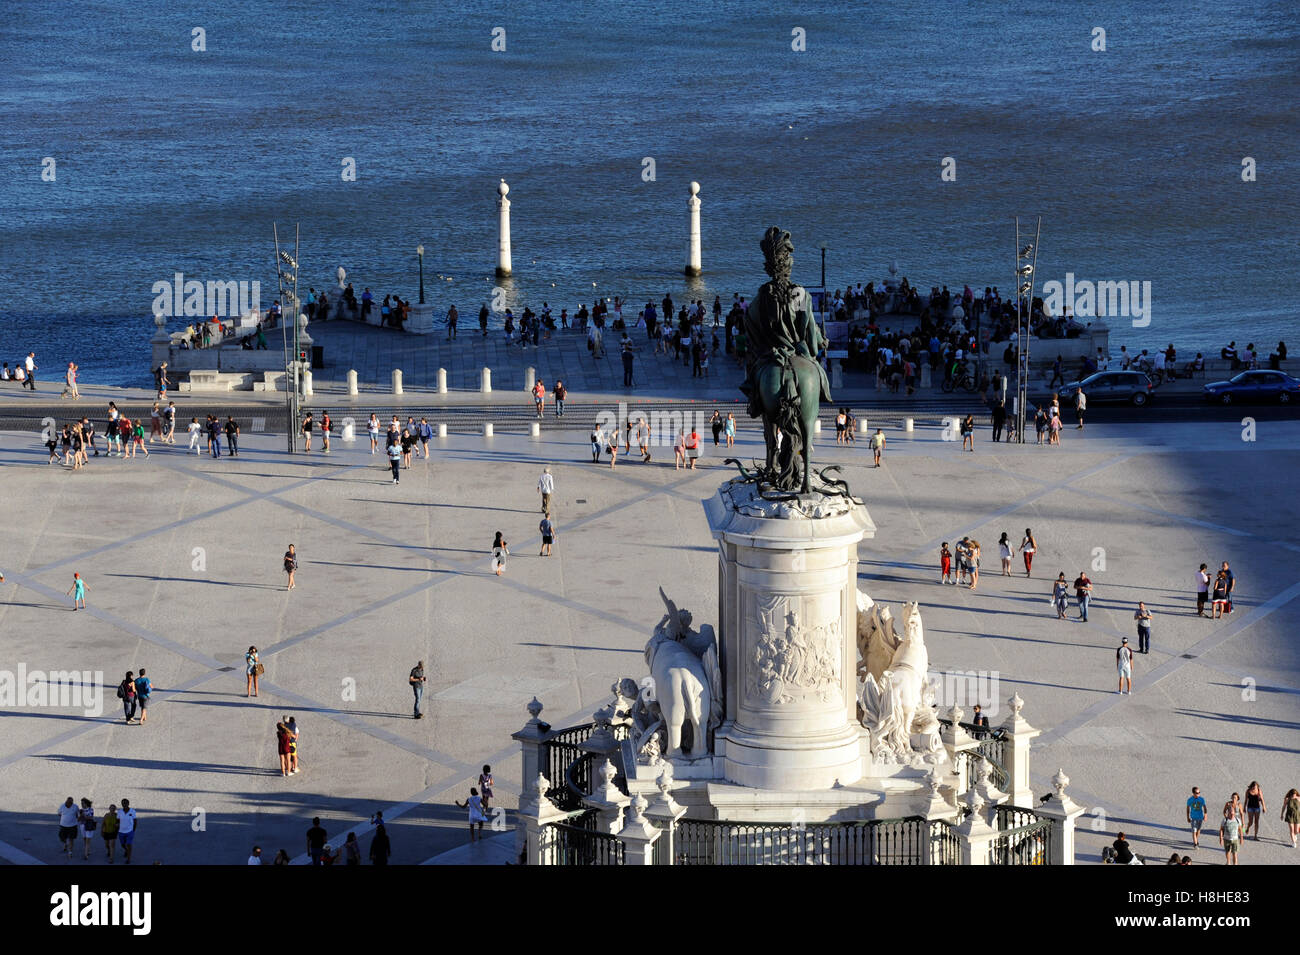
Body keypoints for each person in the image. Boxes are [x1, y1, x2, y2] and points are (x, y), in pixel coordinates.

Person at [117, 799, 136, 864]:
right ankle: (126, 850)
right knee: (122, 844)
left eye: (125, 803)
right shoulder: (119, 812)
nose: (124, 804)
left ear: (128, 803)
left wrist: (133, 830)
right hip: (121, 831)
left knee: (129, 844)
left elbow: (135, 821)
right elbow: (118, 821)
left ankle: (128, 859)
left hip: (129, 831)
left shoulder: (132, 811)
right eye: (123, 803)